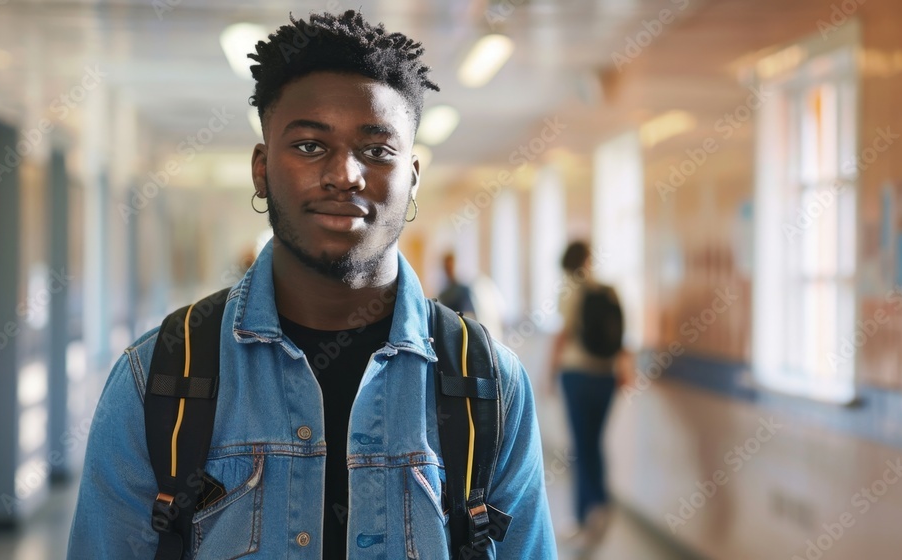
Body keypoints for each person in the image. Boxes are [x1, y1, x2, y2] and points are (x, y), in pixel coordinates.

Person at [67, 10, 555, 559]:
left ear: (412, 177)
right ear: (261, 168)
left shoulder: (487, 382)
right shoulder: (158, 376)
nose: (345, 174)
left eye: (376, 150)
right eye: (308, 145)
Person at [547, 240, 629, 550]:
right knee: (594, 442)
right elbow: (620, 336)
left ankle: (587, 514)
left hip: (576, 375)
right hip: (605, 376)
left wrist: (548, 374)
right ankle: (598, 505)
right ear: (588, 260)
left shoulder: (569, 289)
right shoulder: (608, 291)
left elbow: (563, 334)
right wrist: (623, 369)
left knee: (580, 446)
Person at [437, 251, 476, 317]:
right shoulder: (443, 294)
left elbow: (470, 314)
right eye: (447, 268)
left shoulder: (463, 290)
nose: (449, 270)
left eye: (450, 267)